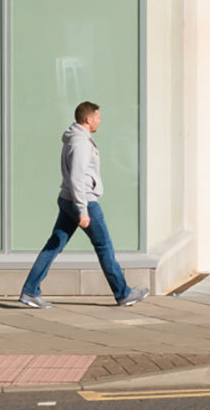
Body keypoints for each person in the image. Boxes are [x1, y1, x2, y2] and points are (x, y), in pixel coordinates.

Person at [19, 101, 147, 309]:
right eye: (97, 117)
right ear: (88, 119)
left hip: (68, 199)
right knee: (104, 246)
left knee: (54, 245)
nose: (100, 121)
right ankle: (123, 293)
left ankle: (30, 291)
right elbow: (77, 177)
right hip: (83, 201)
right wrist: (82, 209)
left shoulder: (75, 139)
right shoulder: (81, 143)